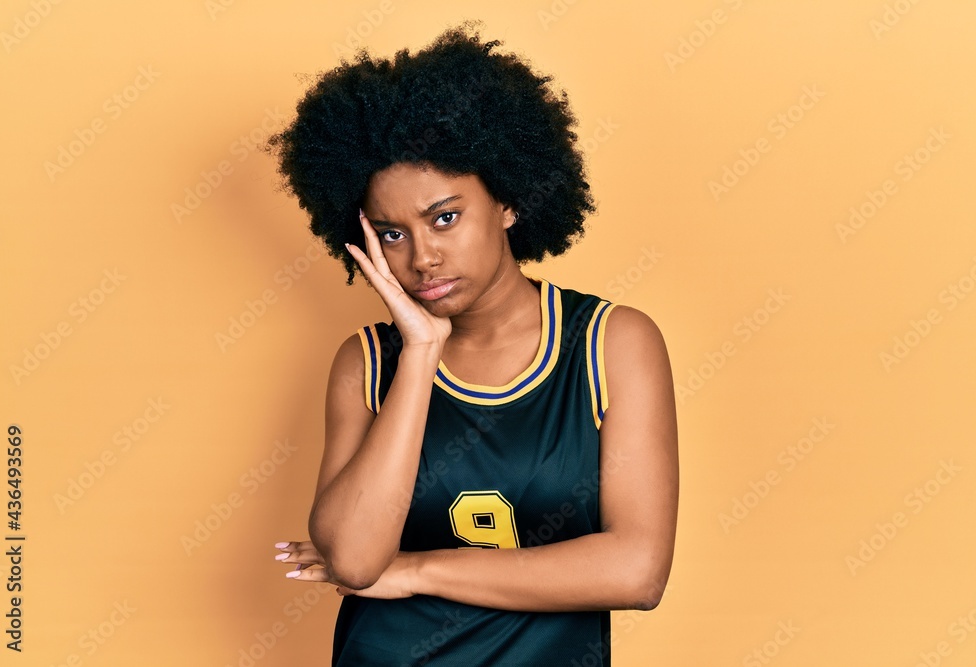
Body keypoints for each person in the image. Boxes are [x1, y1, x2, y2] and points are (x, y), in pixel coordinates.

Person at [266, 21, 678, 666]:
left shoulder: (610, 345)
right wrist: (422, 352)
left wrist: (416, 570)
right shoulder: (369, 363)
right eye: (392, 234)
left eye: (445, 217)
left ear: (508, 202)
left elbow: (636, 570)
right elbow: (351, 556)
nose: (423, 256)